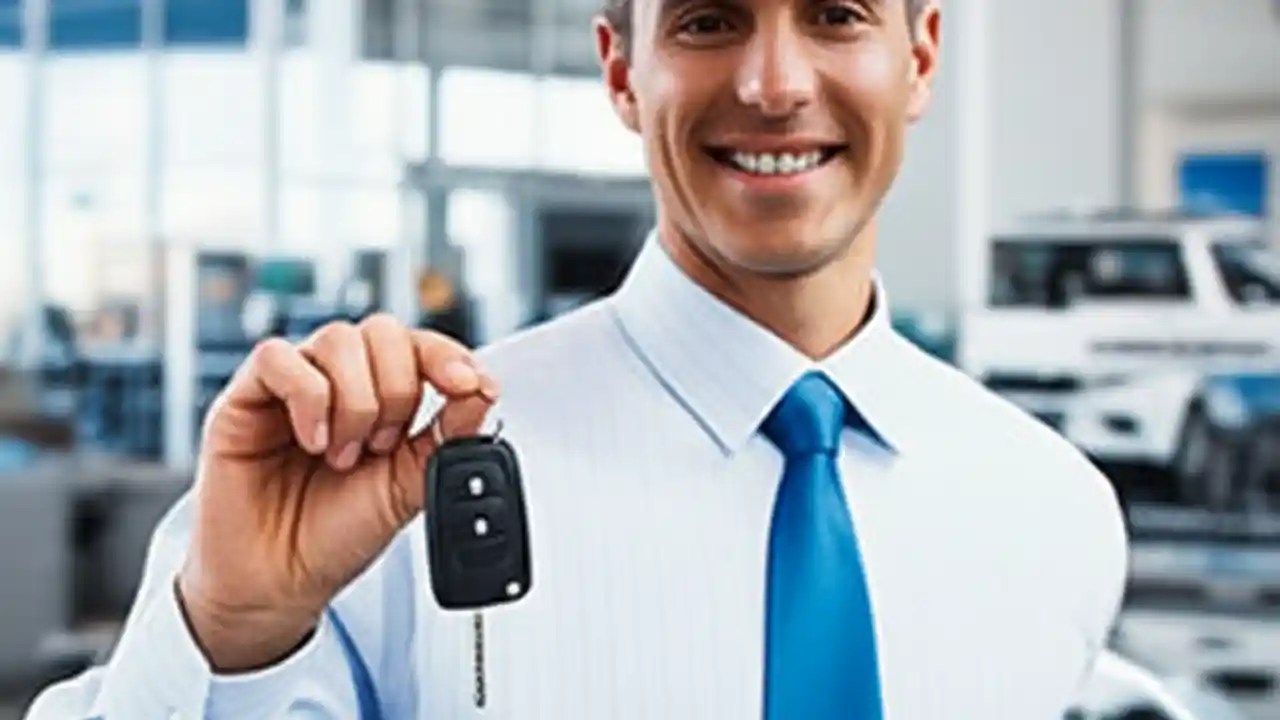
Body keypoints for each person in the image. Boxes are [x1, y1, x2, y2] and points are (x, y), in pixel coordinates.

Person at [27, 0, 1128, 717]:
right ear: (619, 72)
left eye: (835, 15)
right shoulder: (391, 484)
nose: (772, 83)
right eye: (707, 21)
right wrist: (231, 632)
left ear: (918, 54)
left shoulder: (1051, 511)